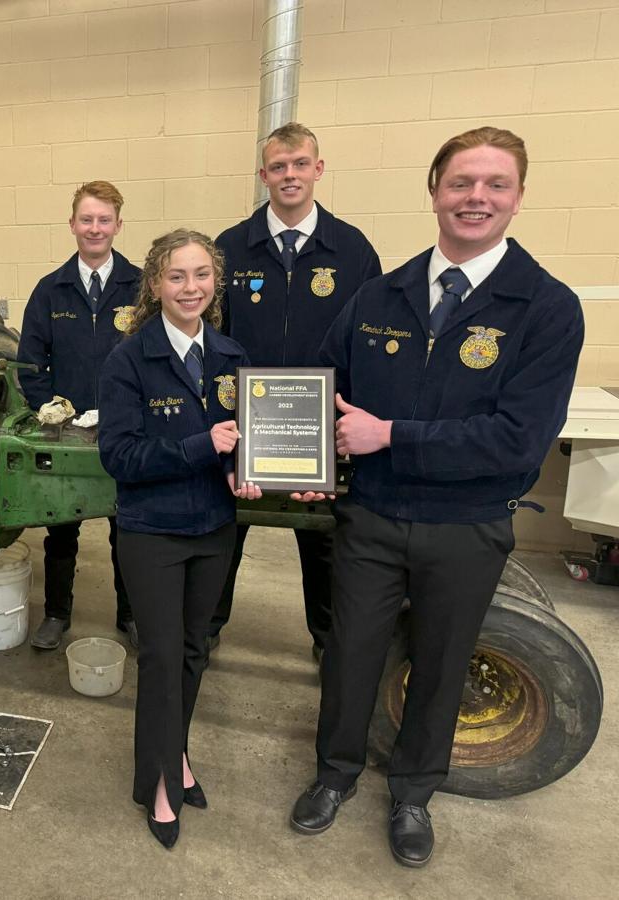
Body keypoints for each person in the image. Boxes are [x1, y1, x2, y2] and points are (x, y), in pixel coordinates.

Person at [289, 127, 584, 867]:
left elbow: (516, 441)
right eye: (461, 183)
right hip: (372, 519)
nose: (476, 198)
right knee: (349, 656)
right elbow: (326, 392)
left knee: (441, 662)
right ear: (434, 192)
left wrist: (392, 435)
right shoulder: (378, 295)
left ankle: (415, 793)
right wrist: (289, 454)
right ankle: (335, 775)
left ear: (518, 197)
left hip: (467, 527)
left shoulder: (545, 308)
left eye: (495, 185)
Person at [98, 229, 261, 849]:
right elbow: (121, 456)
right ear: (154, 285)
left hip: (215, 529)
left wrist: (239, 472)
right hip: (153, 533)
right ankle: (160, 781)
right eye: (176, 277)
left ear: (215, 282)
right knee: (163, 659)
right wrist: (204, 446)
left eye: (200, 275)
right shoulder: (128, 361)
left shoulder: (232, 356)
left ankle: (178, 753)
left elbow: (242, 441)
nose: (189, 288)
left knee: (195, 652)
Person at [210, 122, 381, 661]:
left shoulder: (353, 251)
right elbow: (208, 339)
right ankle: (205, 632)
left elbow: (369, 347)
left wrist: (347, 428)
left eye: (300, 164)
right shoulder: (230, 248)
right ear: (264, 175)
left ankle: (328, 644)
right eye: (278, 167)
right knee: (222, 537)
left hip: (320, 434)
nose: (290, 175)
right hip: (242, 427)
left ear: (318, 169)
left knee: (325, 545)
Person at [18, 181, 141, 651]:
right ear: (72, 225)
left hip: (123, 431)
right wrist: (48, 413)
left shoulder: (140, 286)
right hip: (66, 433)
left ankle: (130, 615)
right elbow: (31, 362)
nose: (95, 228)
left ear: (118, 225)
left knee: (126, 529)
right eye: (86, 219)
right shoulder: (51, 291)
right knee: (61, 529)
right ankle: (55, 615)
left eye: (104, 219)